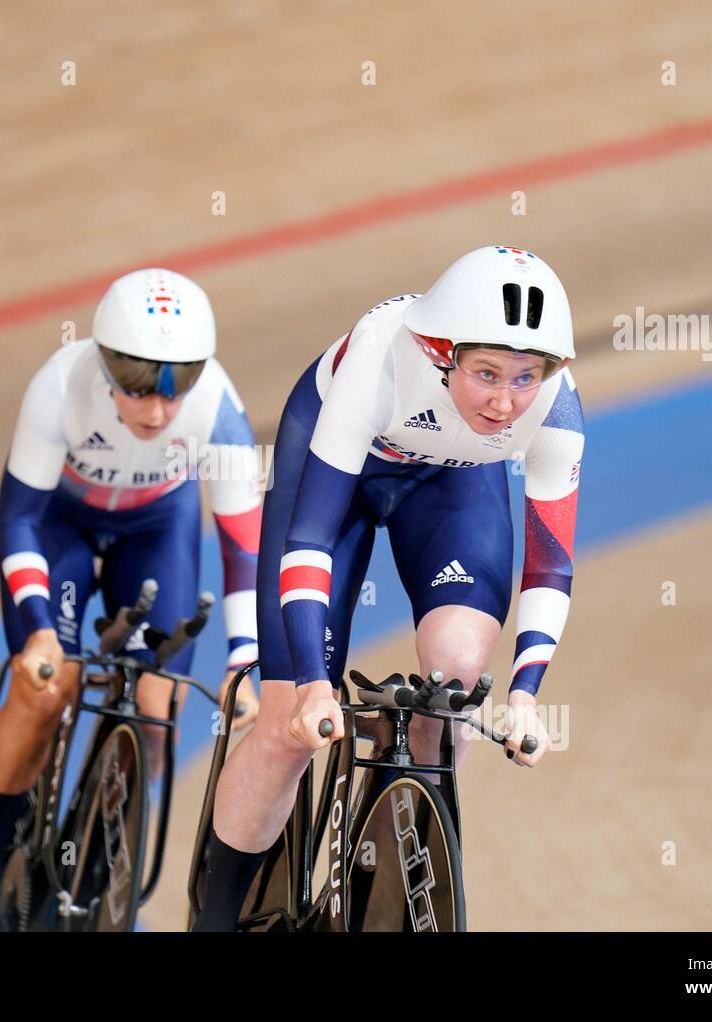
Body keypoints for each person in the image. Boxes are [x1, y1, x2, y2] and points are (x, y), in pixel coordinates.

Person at [191, 245, 586, 931]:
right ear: (441, 354)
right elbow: (310, 537)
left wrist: (525, 694)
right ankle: (215, 922)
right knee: (288, 727)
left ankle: (375, 882)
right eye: (486, 373)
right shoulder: (381, 360)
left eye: (525, 377)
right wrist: (314, 682)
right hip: (337, 469)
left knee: (458, 674)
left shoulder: (553, 408)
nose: (503, 401)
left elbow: (549, 566)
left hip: (452, 481)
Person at [0, 267, 264, 931]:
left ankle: (93, 865)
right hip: (60, 522)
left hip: (156, 526)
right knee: (46, 688)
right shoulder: (59, 387)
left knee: (158, 708)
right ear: (105, 366)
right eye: (138, 389)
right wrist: (38, 628)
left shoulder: (219, 409)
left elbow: (244, 547)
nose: (156, 411)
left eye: (172, 392)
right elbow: (18, 522)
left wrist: (243, 658)